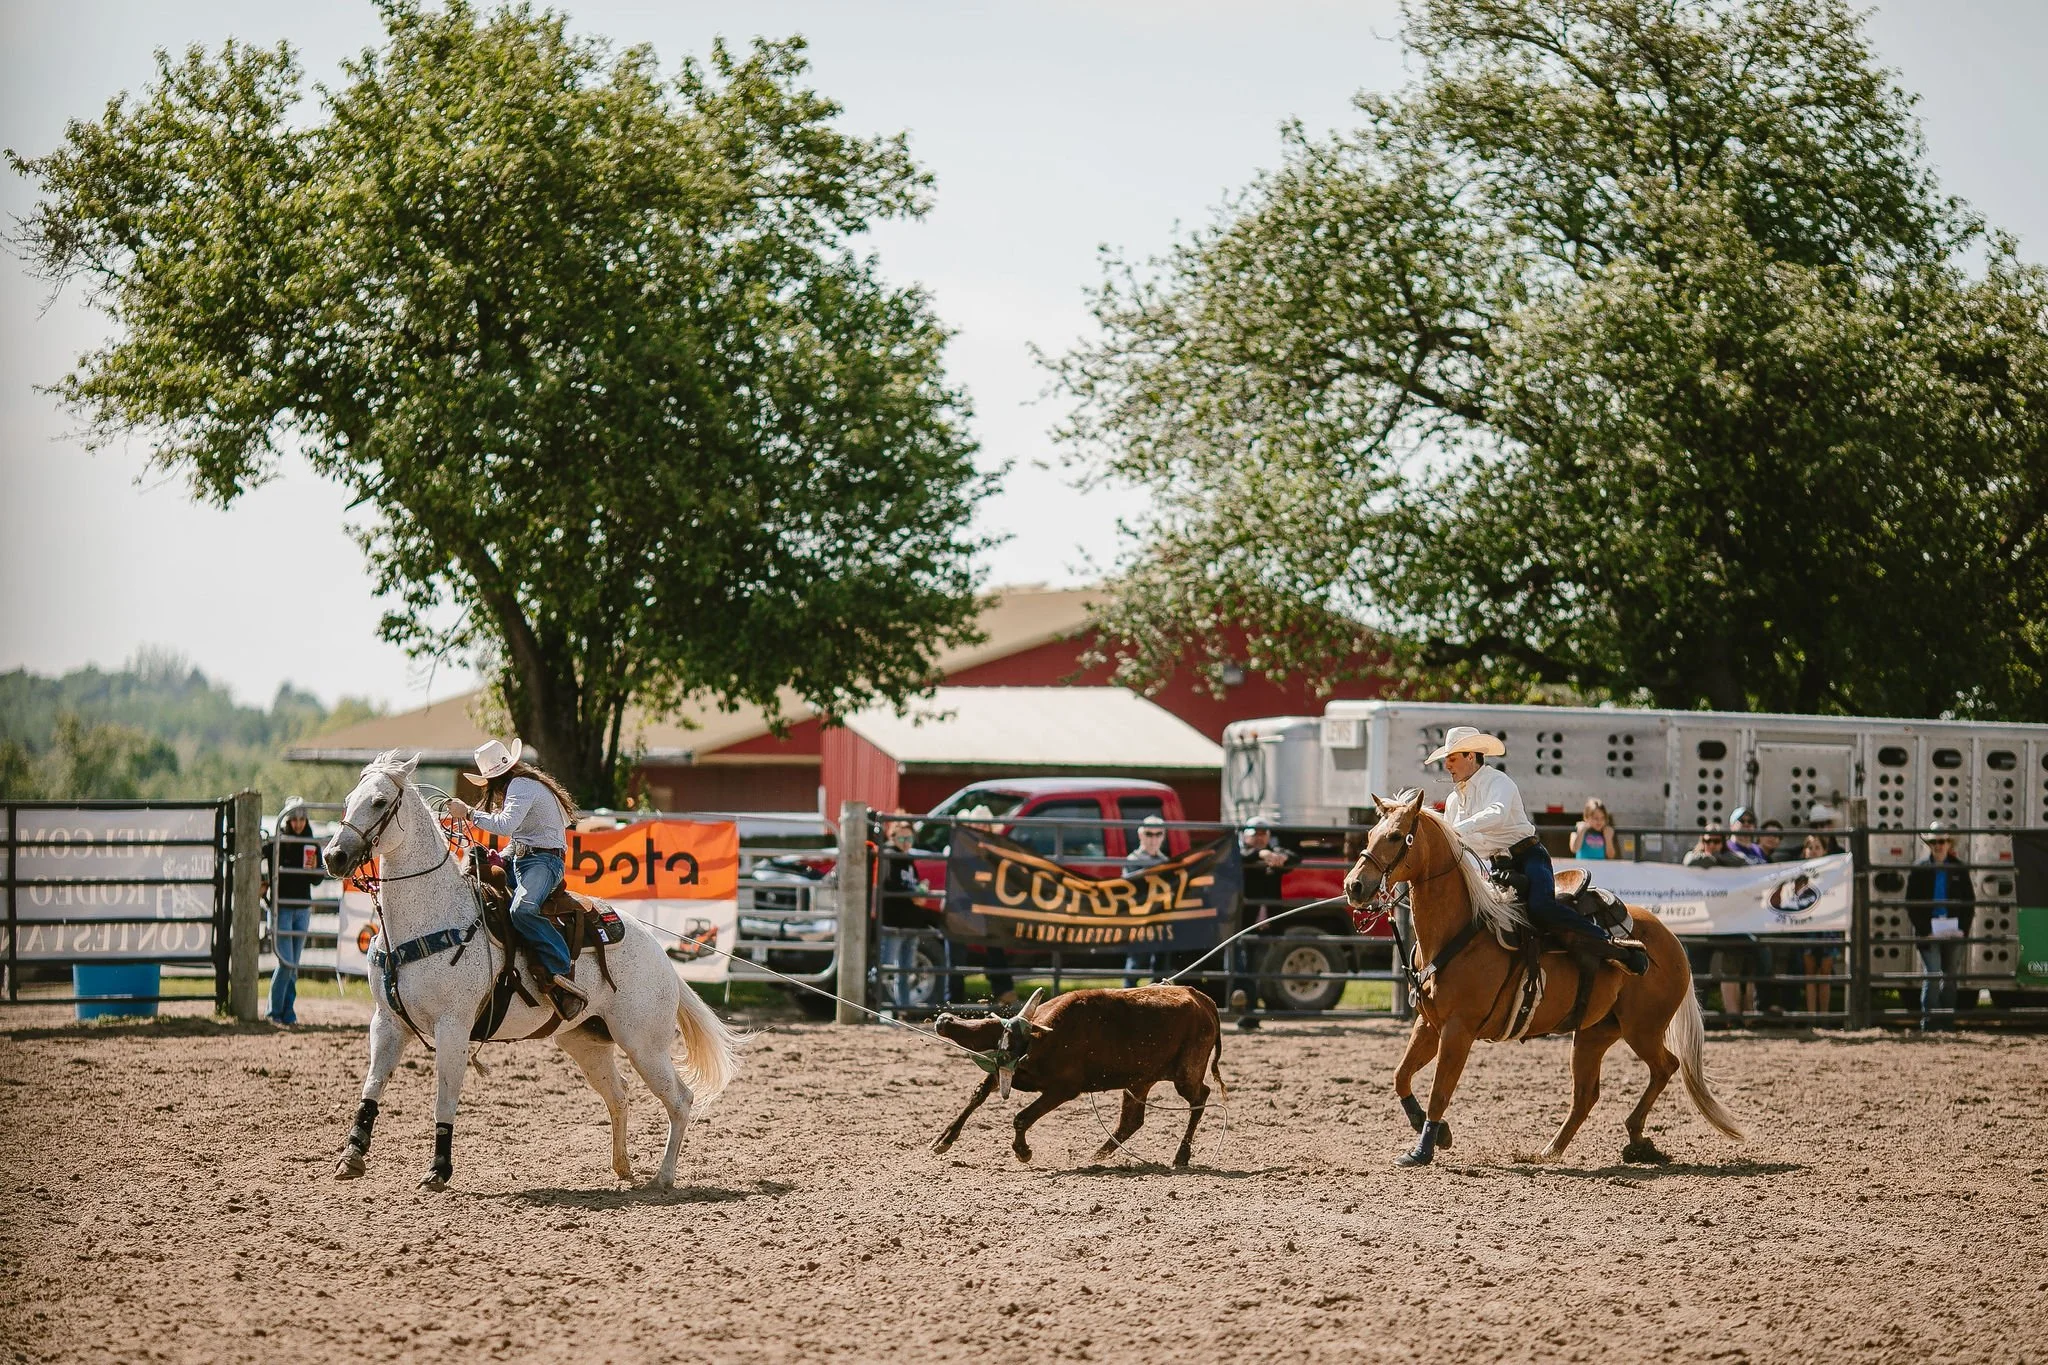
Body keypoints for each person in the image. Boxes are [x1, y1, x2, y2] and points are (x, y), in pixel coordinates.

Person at [1431, 728, 1648, 976]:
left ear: (1471, 755)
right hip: (1497, 866)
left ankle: (1608, 942)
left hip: (1528, 856)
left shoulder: (1499, 782)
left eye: (1451, 758)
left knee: (1541, 906)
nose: (1446, 765)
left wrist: (1453, 829)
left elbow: (1496, 814)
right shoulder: (1453, 801)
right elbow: (1453, 844)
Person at [445, 739, 588, 1021]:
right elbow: (520, 837)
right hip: (525, 859)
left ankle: (560, 970)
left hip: (546, 862)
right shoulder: (521, 786)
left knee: (522, 909)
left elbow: (506, 826)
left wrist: (469, 813)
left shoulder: (521, 787)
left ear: (493, 778)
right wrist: (500, 857)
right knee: (474, 872)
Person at [1904, 821, 1975, 1032]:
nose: (1939, 845)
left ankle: (1945, 1020)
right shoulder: (1920, 869)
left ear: (1948, 843)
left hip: (1952, 929)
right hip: (1930, 930)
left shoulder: (1958, 868)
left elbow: (1969, 903)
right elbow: (1912, 904)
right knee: (1934, 974)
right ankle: (1931, 1022)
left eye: (1942, 841)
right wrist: (1925, 930)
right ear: (1930, 844)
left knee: (1949, 976)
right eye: (1935, 842)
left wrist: (1962, 928)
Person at [1682, 822, 1754, 1019]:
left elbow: (1745, 864)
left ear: (1723, 842)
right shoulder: (1695, 856)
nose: (1711, 844)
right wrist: (1714, 860)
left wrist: (1718, 859)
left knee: (1733, 968)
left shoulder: (1731, 858)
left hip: (1727, 925)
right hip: (1702, 925)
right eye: (1707, 840)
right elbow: (1690, 861)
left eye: (1716, 841)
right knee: (1698, 974)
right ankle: (1697, 1017)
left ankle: (1734, 1017)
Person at [267, 798, 322, 1027]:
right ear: (287, 821)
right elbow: (263, 866)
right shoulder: (277, 843)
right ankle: (275, 1010)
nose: (298, 824)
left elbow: (317, 880)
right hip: (282, 906)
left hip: (302, 908)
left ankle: (286, 1011)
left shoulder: (311, 844)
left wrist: (313, 868)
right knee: (286, 962)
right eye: (294, 819)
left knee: (292, 964)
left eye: (301, 819)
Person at [876, 817, 937, 1009]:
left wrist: (920, 891)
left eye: (909, 839)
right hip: (894, 921)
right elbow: (891, 886)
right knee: (885, 968)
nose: (906, 843)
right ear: (892, 837)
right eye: (902, 839)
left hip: (910, 921)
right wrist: (914, 895)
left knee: (906, 969)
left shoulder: (907, 859)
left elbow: (912, 885)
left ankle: (901, 1008)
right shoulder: (890, 855)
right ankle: (879, 1006)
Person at [1121, 815, 1172, 987]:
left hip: (1161, 920)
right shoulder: (1132, 860)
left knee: (1161, 966)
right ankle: (1125, 1002)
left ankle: (1157, 1006)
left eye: (1158, 834)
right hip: (1140, 920)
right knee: (1136, 964)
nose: (1154, 839)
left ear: (1163, 836)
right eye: (1149, 834)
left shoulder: (1166, 861)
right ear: (1141, 835)